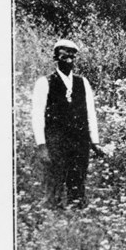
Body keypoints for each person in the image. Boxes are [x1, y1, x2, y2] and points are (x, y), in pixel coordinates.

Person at [30, 38, 106, 208]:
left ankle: (77, 218)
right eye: (64, 56)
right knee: (54, 185)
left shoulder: (82, 82)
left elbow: (90, 113)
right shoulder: (45, 83)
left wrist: (95, 142)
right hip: (56, 143)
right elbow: (37, 116)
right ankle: (52, 219)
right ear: (56, 58)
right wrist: (42, 145)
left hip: (80, 143)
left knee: (77, 184)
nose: (69, 60)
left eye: (72, 56)